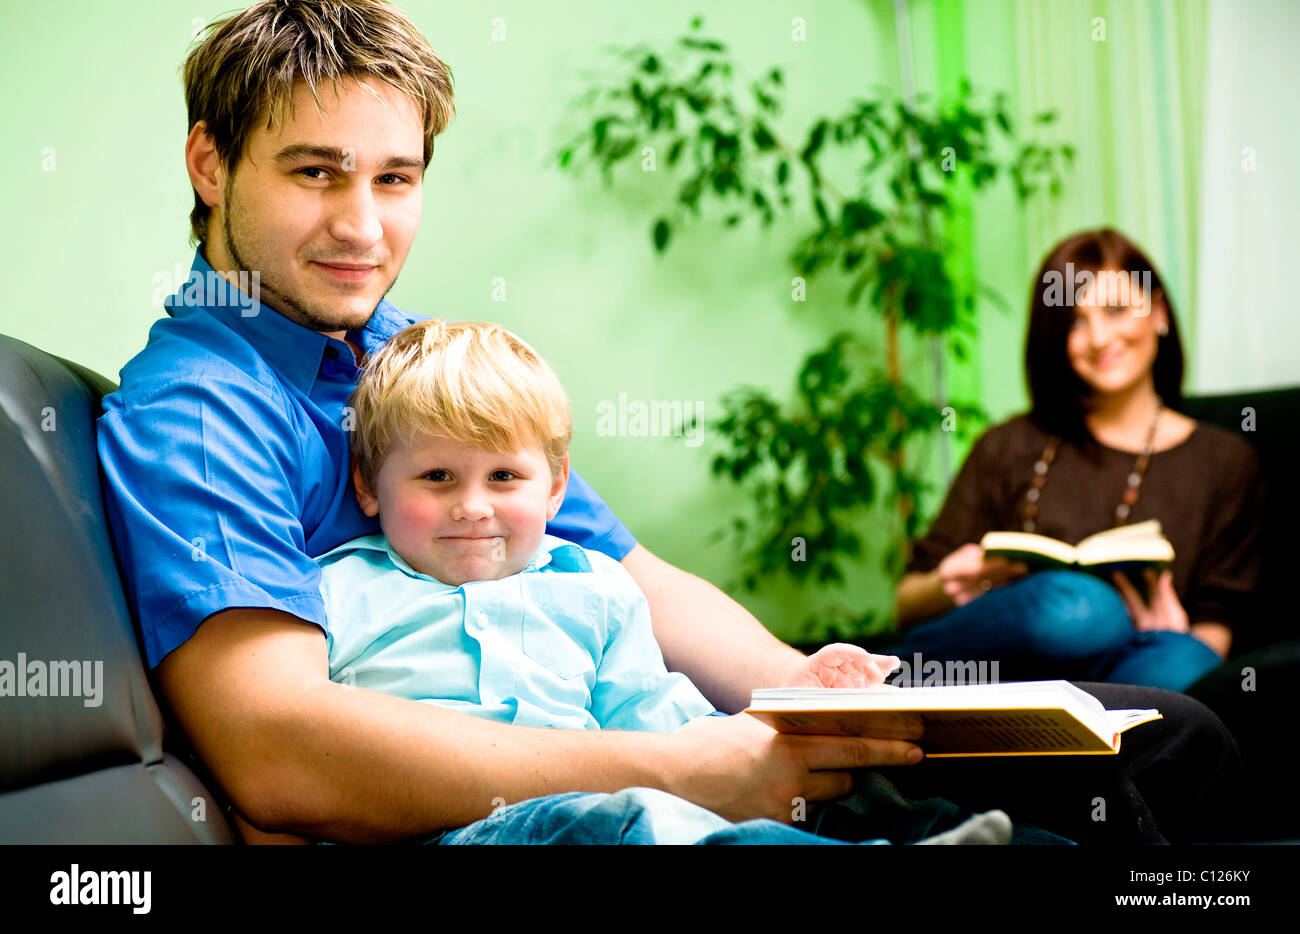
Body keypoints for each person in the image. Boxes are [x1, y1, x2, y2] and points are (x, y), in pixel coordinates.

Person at [95, 0, 1241, 846]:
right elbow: (281, 746)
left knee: (1166, 730)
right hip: (601, 797)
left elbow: (635, 575)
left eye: (395, 179)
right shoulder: (202, 411)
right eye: (315, 173)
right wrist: (693, 767)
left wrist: (811, 696)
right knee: (1132, 765)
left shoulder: (410, 353)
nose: (362, 225)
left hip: (674, 734)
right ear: (209, 161)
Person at [314, 317, 1035, 845]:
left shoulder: (593, 588)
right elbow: (307, 747)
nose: (473, 506)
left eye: (504, 476)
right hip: (450, 832)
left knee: (715, 822)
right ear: (368, 487)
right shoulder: (337, 589)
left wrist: (792, 695)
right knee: (632, 819)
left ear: (557, 488)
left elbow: (656, 717)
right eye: (436, 477)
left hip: (625, 805)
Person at [892, 229, 1265, 693]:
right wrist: (944, 586)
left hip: (1129, 668)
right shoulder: (1008, 445)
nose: (1099, 338)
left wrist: (1174, 635)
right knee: (1085, 610)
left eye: (1115, 310)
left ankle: (1061, 733)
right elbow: (905, 605)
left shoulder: (1225, 462)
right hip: (996, 665)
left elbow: (1217, 625)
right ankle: (886, 675)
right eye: (1074, 322)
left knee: (1185, 659)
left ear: (1160, 313)